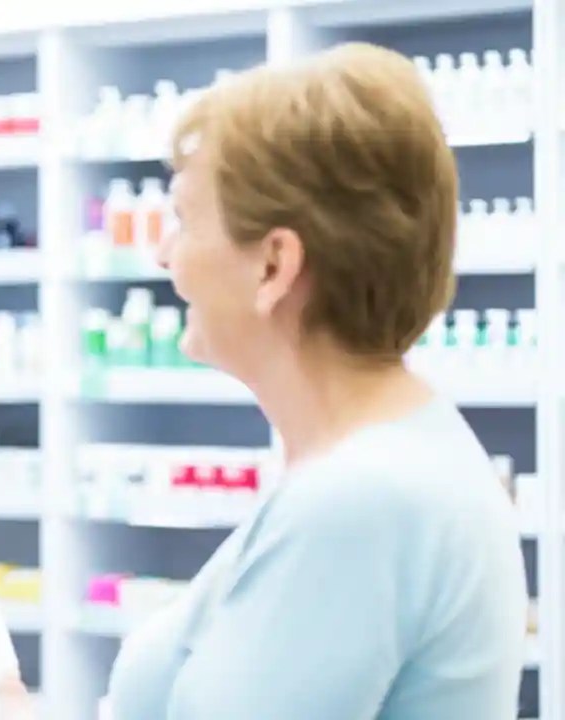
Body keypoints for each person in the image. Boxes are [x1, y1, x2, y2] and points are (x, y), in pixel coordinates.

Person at [104, 43, 528, 719]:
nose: (163, 253)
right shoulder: (383, 457)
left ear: (274, 265)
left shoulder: (364, 501)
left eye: (184, 220)